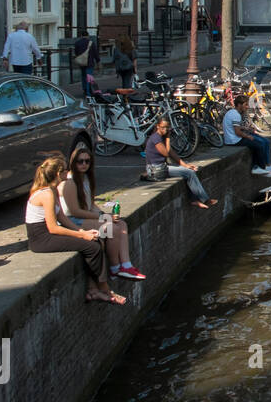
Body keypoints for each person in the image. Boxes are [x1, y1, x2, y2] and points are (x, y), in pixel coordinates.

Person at [26, 156, 124, 305]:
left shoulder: (53, 190)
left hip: (47, 234)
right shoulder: (46, 194)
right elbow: (53, 227)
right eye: (66, 170)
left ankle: (93, 289)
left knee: (95, 241)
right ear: (59, 174)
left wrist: (83, 232)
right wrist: (81, 235)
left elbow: (63, 219)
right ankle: (104, 289)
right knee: (92, 247)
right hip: (41, 239)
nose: (69, 172)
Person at [59, 145, 147, 280]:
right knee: (111, 228)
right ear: (73, 162)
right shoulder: (70, 182)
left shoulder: (86, 178)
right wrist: (103, 217)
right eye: (80, 161)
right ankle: (115, 268)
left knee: (121, 224)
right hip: (72, 220)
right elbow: (75, 211)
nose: (84, 164)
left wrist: (106, 215)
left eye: (87, 161)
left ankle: (126, 265)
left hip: (83, 216)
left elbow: (91, 204)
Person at [145, 117, 217, 209]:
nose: (165, 130)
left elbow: (173, 154)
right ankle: (205, 200)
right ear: (157, 126)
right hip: (157, 170)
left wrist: (185, 165)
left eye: (167, 127)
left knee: (188, 171)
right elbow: (166, 153)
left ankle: (196, 200)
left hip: (160, 168)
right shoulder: (156, 138)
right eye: (163, 127)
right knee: (190, 173)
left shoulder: (159, 137)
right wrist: (167, 139)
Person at [224, 94, 271, 176]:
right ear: (239, 105)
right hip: (234, 140)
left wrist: (246, 129)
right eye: (246, 105)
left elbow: (236, 127)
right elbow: (237, 132)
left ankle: (268, 165)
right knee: (260, 144)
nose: (247, 107)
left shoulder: (233, 112)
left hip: (235, 137)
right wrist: (248, 136)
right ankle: (257, 167)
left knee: (266, 141)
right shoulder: (236, 115)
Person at [72, 32, 100, 97]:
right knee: (89, 77)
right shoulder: (91, 43)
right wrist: (98, 61)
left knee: (83, 77)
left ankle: (85, 90)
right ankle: (88, 93)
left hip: (82, 63)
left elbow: (76, 53)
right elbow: (95, 53)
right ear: (88, 36)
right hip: (89, 63)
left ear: (81, 36)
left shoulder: (77, 43)